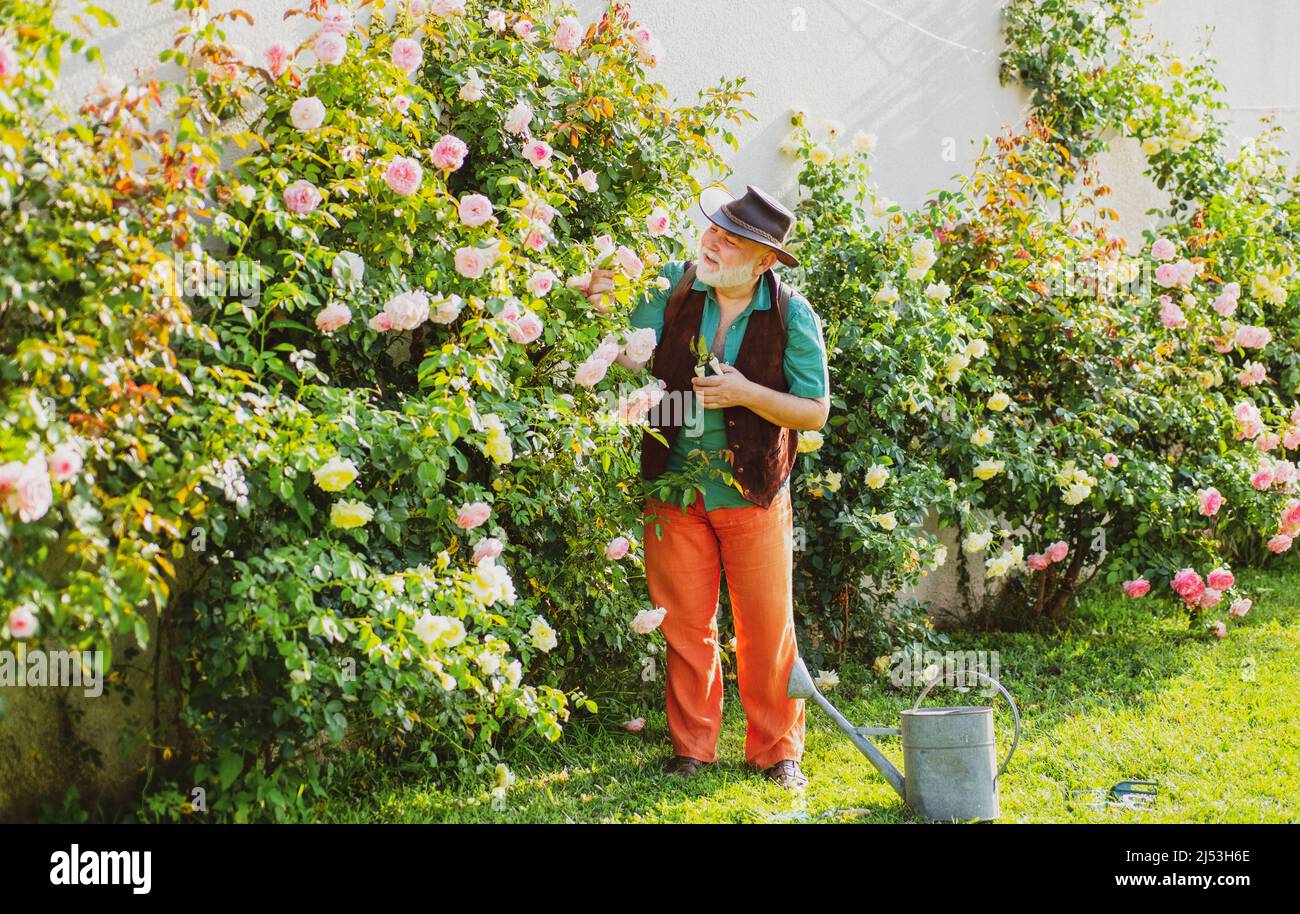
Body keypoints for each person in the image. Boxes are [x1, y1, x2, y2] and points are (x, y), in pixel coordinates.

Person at [585, 184, 830, 790]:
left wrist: (747, 392)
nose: (713, 243)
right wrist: (601, 290)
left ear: (765, 259)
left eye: (732, 239)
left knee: (767, 626)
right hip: (672, 484)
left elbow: (815, 410)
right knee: (684, 623)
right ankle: (693, 746)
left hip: (751, 487)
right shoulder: (674, 285)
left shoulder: (792, 313)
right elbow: (629, 358)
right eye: (714, 230)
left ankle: (777, 752)